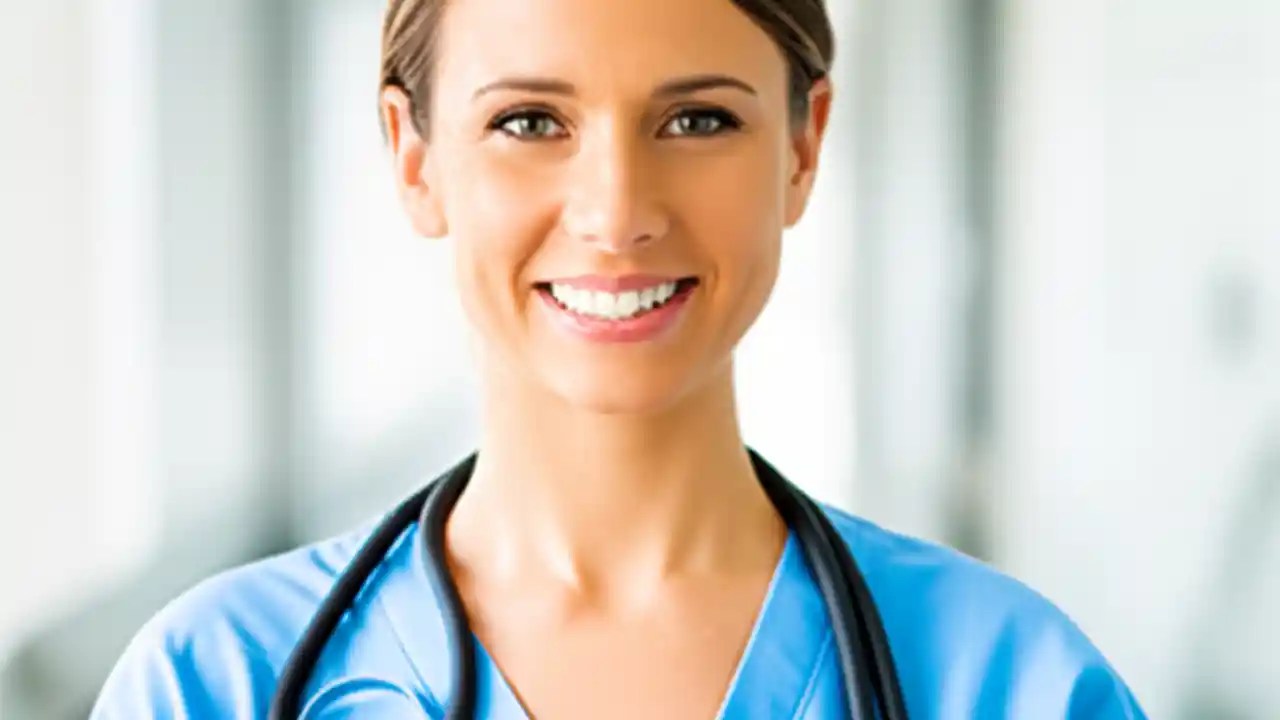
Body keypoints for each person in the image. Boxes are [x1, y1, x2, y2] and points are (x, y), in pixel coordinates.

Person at [91, 0, 1148, 717]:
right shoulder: (215, 683)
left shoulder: (1006, 681)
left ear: (801, 147)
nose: (615, 212)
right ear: (415, 160)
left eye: (696, 119)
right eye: (529, 122)